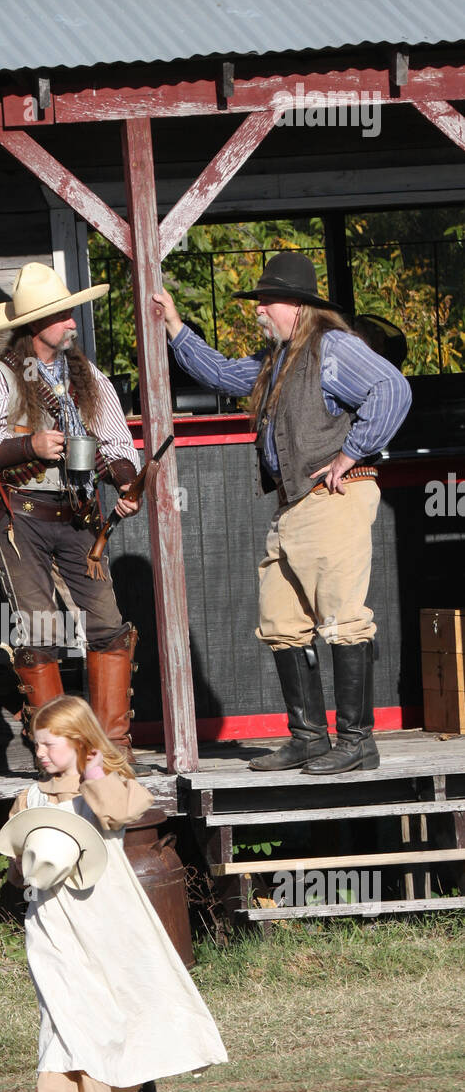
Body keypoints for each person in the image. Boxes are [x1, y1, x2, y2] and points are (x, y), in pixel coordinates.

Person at [153, 252, 412, 774]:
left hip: (333, 500)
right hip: (294, 507)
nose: (258, 311)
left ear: (295, 306)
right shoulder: (279, 357)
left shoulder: (331, 347)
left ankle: (357, 741)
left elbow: (392, 389)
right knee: (281, 619)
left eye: (266, 302)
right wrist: (176, 326)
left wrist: (352, 451)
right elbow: (224, 374)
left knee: (341, 618)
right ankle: (309, 736)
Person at [0, 696, 227, 1092]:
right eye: (37, 745)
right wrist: (26, 868)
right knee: (63, 1007)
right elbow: (16, 862)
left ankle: (135, 1089)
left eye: (51, 744)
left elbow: (119, 812)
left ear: (81, 742)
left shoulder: (108, 784)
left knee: (117, 1006)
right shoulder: (29, 797)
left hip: (109, 915)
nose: (40, 754)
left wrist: (95, 770)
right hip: (51, 918)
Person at [0, 262, 143, 754]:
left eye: (71, 313)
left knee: (108, 625)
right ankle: (54, 753)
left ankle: (112, 751)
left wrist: (126, 481)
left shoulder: (89, 379)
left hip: (79, 516)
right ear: (36, 325)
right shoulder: (0, 379)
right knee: (39, 630)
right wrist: (29, 445)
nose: (73, 324)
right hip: (20, 520)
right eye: (63, 315)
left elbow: (119, 445)